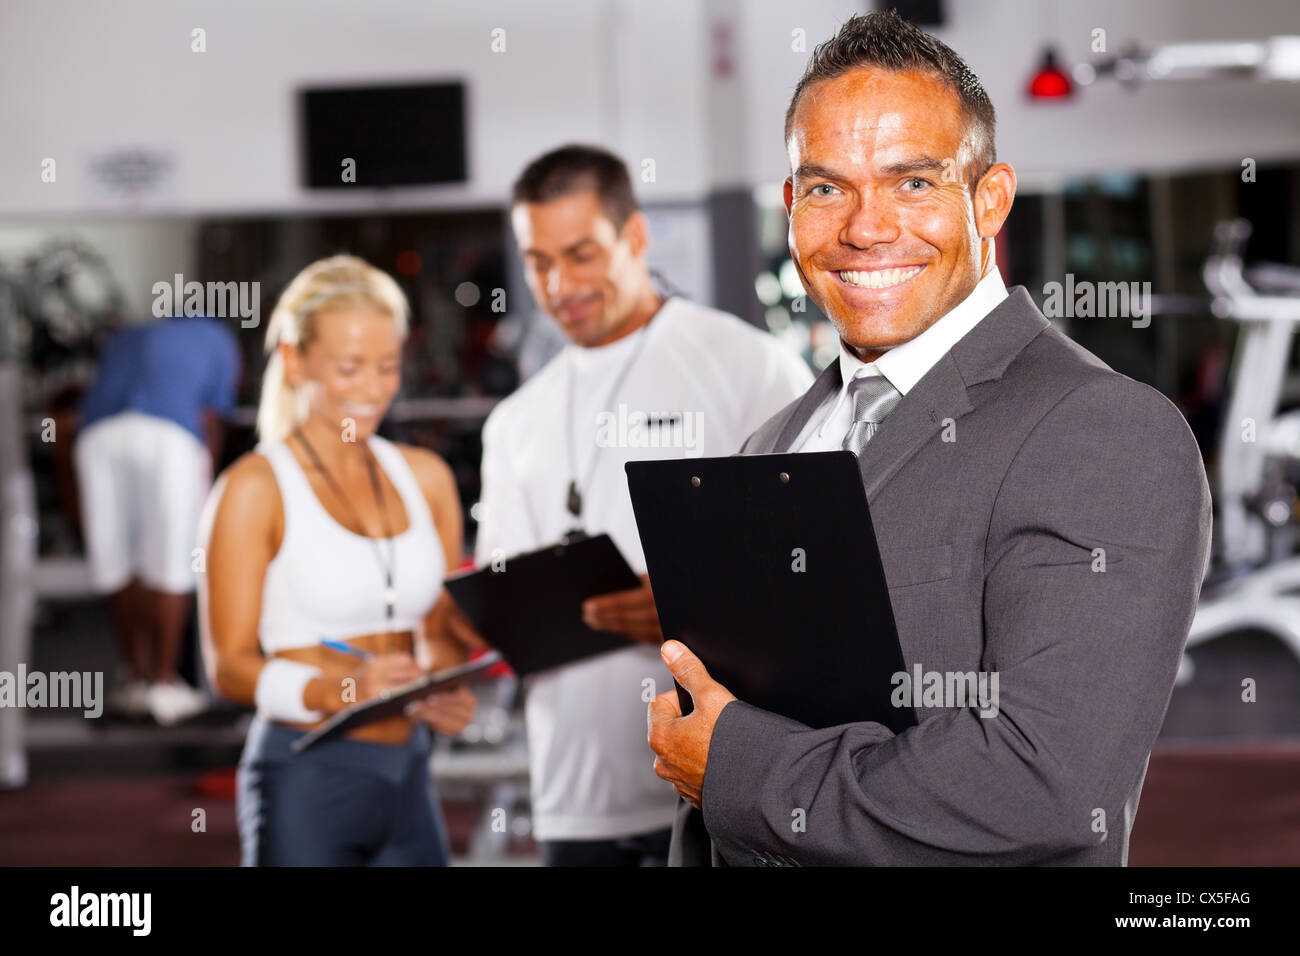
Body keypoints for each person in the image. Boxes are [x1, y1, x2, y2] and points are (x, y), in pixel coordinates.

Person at [649, 10, 1213, 866]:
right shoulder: (773, 442)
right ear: (794, 206)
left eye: (913, 183)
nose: (865, 228)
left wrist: (732, 768)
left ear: (989, 200)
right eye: (828, 187)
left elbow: (1042, 786)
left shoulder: (1105, 431)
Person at [471, 145, 814, 866]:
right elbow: (504, 597)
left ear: (634, 238)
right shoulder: (515, 420)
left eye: (582, 253)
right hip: (575, 797)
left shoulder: (751, 369)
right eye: (538, 262)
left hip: (724, 791)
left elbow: (818, 576)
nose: (560, 283)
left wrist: (699, 618)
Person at [197, 255, 476, 866]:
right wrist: (345, 687)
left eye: (387, 367)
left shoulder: (424, 477)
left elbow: (437, 630)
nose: (373, 389)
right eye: (349, 368)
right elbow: (230, 668)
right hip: (305, 775)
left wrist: (442, 687)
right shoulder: (254, 488)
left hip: (409, 773)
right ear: (295, 361)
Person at [75, 313, 240, 726]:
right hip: (170, 435)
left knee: (120, 558)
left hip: (97, 436)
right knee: (172, 561)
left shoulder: (130, 333)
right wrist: (209, 491)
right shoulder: (218, 339)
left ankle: (136, 679)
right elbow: (210, 418)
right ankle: (165, 684)